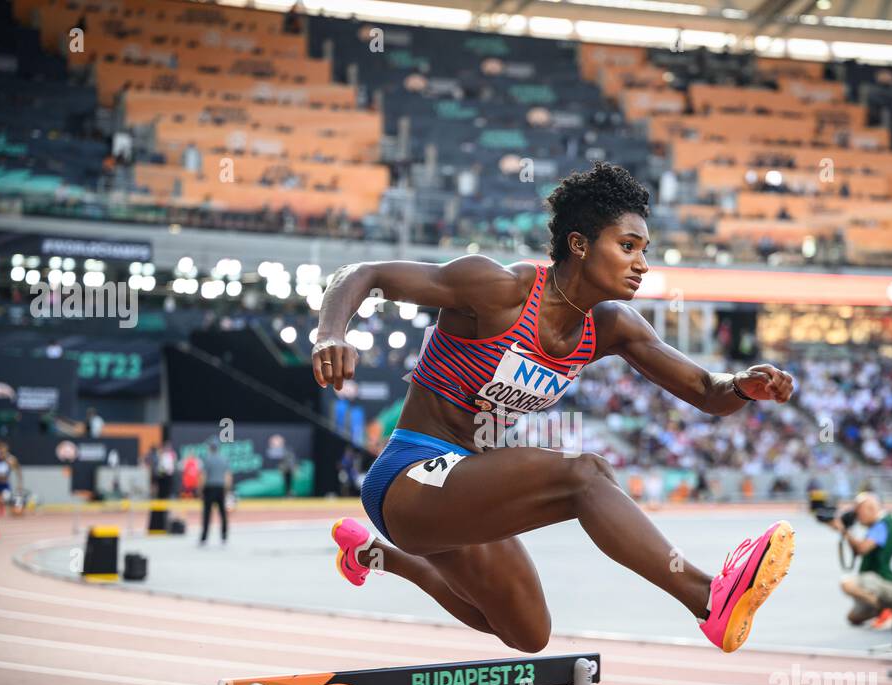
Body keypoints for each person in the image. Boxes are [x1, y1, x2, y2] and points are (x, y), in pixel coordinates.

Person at [313, 161, 797, 655]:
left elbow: (704, 389)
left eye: (644, 250)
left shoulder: (611, 327)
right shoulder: (497, 290)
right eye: (628, 246)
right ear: (579, 244)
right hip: (410, 478)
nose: (642, 264)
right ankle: (707, 598)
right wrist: (331, 333)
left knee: (527, 633)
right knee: (585, 475)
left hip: (467, 484)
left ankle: (379, 557)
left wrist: (741, 385)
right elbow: (363, 274)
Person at [831, 492, 892, 628]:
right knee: (853, 618)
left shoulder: (881, 526)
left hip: (887, 582)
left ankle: (887, 609)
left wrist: (844, 531)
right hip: (890, 581)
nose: (857, 517)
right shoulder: (890, 521)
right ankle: (887, 608)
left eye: (859, 511)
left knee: (846, 583)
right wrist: (845, 532)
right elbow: (859, 551)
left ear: (871, 508)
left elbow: (862, 549)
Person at [0, 438, 21, 542]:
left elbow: (18, 470)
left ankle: (2, 504)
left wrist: (19, 484)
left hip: (5, 485)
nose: (1, 452)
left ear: (6, 450)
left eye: (3, 450)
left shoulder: (11, 459)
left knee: (2, 499)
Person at [198, 437, 230, 545]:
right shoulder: (224, 459)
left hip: (210, 488)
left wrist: (200, 489)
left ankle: (204, 537)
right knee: (223, 514)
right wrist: (227, 489)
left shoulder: (207, 459)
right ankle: (224, 536)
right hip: (221, 488)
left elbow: (203, 476)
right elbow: (228, 476)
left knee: (207, 514)